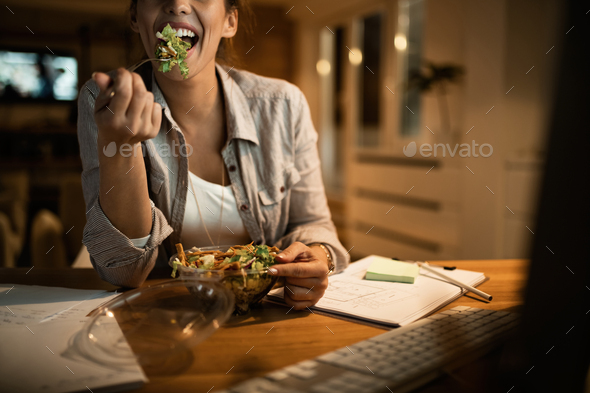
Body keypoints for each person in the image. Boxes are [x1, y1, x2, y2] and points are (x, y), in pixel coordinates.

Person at [77, 0, 349, 310]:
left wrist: (319, 255)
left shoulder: (284, 105)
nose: (177, 4)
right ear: (135, 18)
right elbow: (124, 272)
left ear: (229, 22)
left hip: (263, 314)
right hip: (162, 319)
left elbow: (315, 225)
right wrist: (122, 146)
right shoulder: (103, 103)